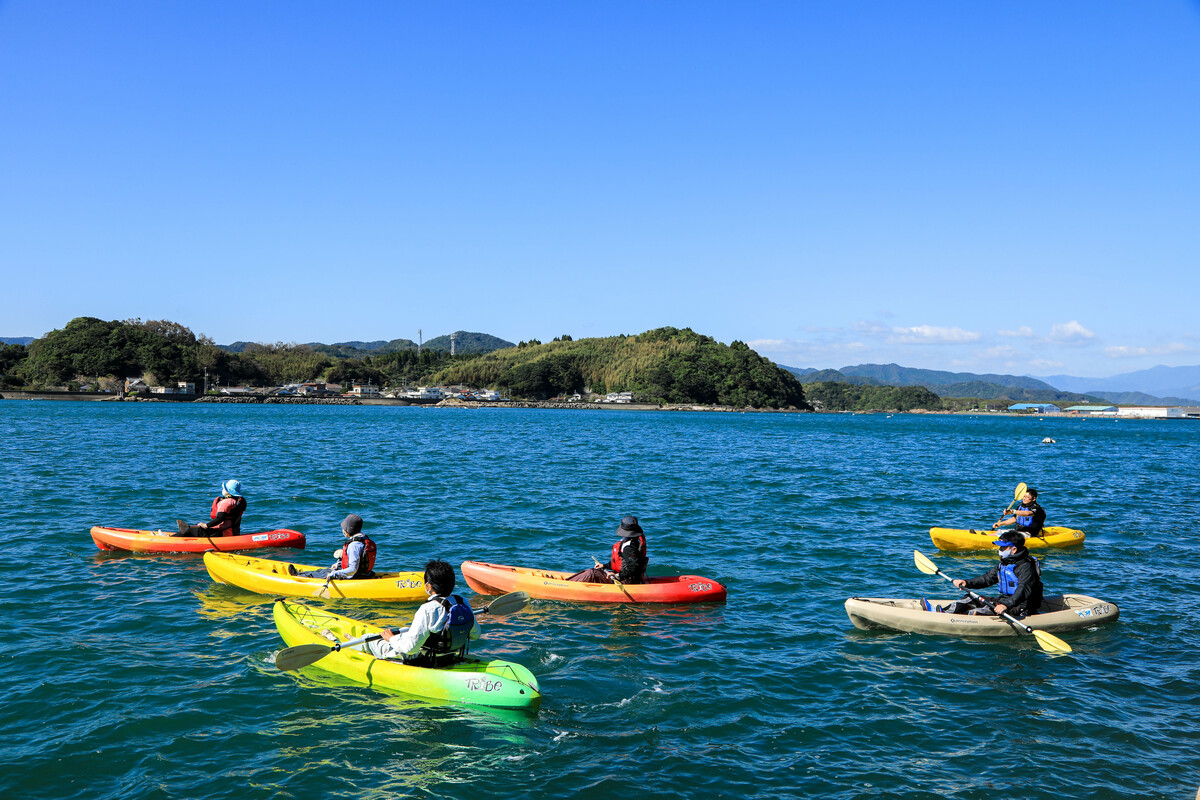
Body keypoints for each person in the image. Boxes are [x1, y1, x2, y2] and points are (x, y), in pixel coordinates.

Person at [358, 559, 481, 666]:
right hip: (450, 656)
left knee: (367, 639)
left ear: (428, 586)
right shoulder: (462, 602)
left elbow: (411, 649)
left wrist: (391, 639)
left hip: (424, 659)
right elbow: (476, 635)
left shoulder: (428, 609)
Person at [923, 530, 1044, 617]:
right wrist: (966, 583)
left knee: (981, 610)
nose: (1000, 550)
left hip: (1022, 607)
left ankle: (954, 618)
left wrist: (1005, 605)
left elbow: (1023, 590)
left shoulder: (1026, 567)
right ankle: (941, 612)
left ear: (1014, 549)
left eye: (1003, 548)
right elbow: (987, 579)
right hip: (1005, 601)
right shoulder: (1004, 563)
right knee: (970, 598)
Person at [566, 515, 648, 584]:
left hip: (624, 581)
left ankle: (567, 584)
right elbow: (622, 563)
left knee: (592, 573)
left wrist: (617, 576)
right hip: (626, 577)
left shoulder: (629, 548)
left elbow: (633, 567)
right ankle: (569, 582)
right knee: (592, 572)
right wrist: (604, 566)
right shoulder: (635, 542)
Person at [293, 514, 376, 579]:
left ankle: (296, 575)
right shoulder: (363, 540)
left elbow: (353, 569)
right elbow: (358, 560)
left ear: (348, 530)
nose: (343, 530)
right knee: (322, 571)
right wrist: (339, 564)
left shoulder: (353, 546)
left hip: (352, 577)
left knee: (321, 574)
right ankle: (299, 573)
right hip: (365, 574)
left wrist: (334, 574)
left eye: (344, 528)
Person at [174, 480, 246, 537]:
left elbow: (219, 519)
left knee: (190, 530)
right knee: (196, 527)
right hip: (230, 532)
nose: (223, 490)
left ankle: (172, 540)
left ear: (228, 491)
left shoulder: (226, 502)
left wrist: (206, 525)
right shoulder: (236, 502)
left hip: (221, 532)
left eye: (224, 488)